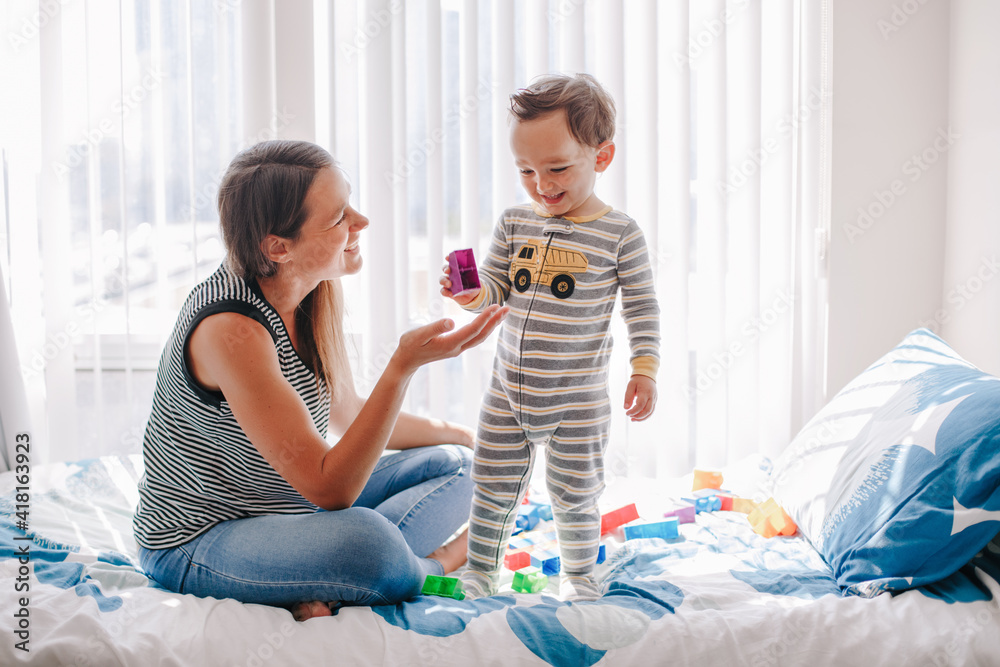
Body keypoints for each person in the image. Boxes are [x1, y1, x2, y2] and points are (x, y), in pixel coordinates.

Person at [133, 139, 508, 621]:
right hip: (202, 538)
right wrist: (402, 367)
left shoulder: (309, 288)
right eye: (338, 219)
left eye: (349, 203)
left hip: (289, 509)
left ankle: (322, 573)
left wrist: (464, 438)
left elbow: (349, 412)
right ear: (279, 247)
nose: (361, 222)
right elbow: (332, 492)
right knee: (369, 546)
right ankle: (436, 563)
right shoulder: (232, 330)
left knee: (468, 466)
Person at [439, 73, 661, 600]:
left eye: (557, 167)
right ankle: (479, 573)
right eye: (525, 171)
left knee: (576, 493)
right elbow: (495, 289)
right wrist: (469, 293)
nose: (542, 183)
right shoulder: (515, 223)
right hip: (508, 392)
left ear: (601, 157)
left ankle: (580, 577)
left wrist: (645, 369)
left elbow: (642, 307)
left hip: (576, 400)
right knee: (491, 488)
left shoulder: (620, 234)